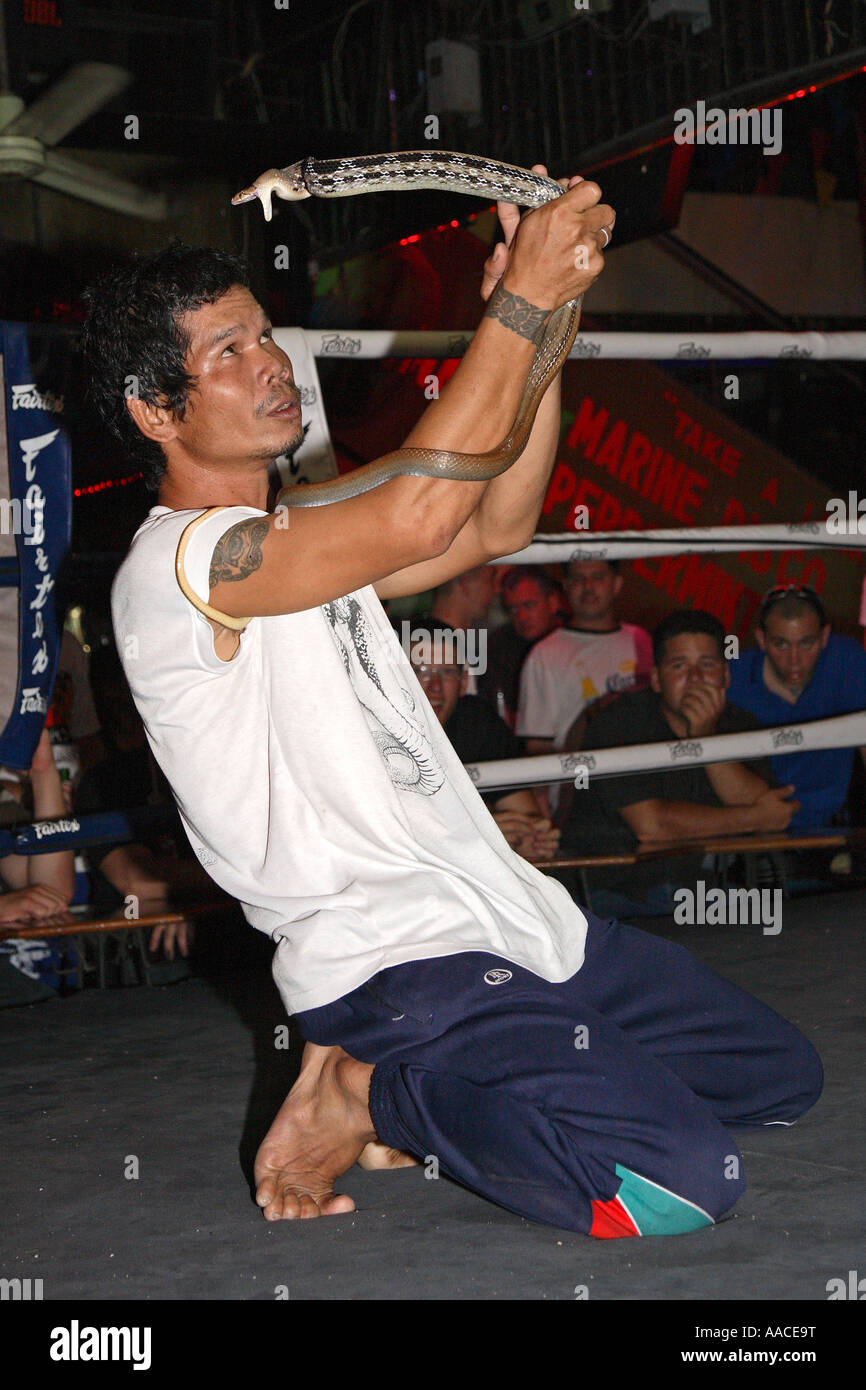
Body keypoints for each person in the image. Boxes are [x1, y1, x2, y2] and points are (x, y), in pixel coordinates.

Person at [85, 176, 821, 1239]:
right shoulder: (178, 568)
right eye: (228, 354)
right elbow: (425, 516)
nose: (271, 364)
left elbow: (494, 521)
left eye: (263, 335)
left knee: (777, 1080)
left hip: (515, 917)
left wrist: (544, 326)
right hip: (394, 962)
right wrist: (510, 306)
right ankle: (369, 1092)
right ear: (157, 412)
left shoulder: (303, 528)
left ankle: (493, 1062)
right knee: (675, 1183)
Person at [559, 609, 799, 918]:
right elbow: (652, 826)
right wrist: (754, 818)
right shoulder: (618, 722)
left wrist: (706, 739)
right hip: (611, 893)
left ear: (725, 675)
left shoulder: (739, 722)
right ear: (657, 679)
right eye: (679, 665)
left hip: (702, 890)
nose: (696, 678)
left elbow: (765, 805)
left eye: (708, 664)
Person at [401, 613, 559, 864]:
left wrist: (528, 840)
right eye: (420, 671)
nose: (435, 686)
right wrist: (479, 833)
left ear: (464, 682)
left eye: (447, 672)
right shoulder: (364, 729)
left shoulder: (475, 720)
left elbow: (526, 815)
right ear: (392, 678)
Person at [727, 584, 866, 830]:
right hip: (753, 831)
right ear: (761, 640)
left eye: (806, 643)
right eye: (781, 644)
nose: (794, 659)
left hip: (833, 830)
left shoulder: (846, 661)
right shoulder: (734, 676)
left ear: (824, 637)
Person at [517, 558, 653, 757]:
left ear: (616, 584)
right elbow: (538, 747)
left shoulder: (640, 639)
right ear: (566, 586)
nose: (588, 587)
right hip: (580, 780)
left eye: (597, 577)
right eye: (578, 579)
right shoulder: (544, 655)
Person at [476, 564, 563, 727]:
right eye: (513, 609)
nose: (521, 617)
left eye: (529, 606)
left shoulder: (570, 641)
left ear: (552, 602)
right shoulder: (499, 648)